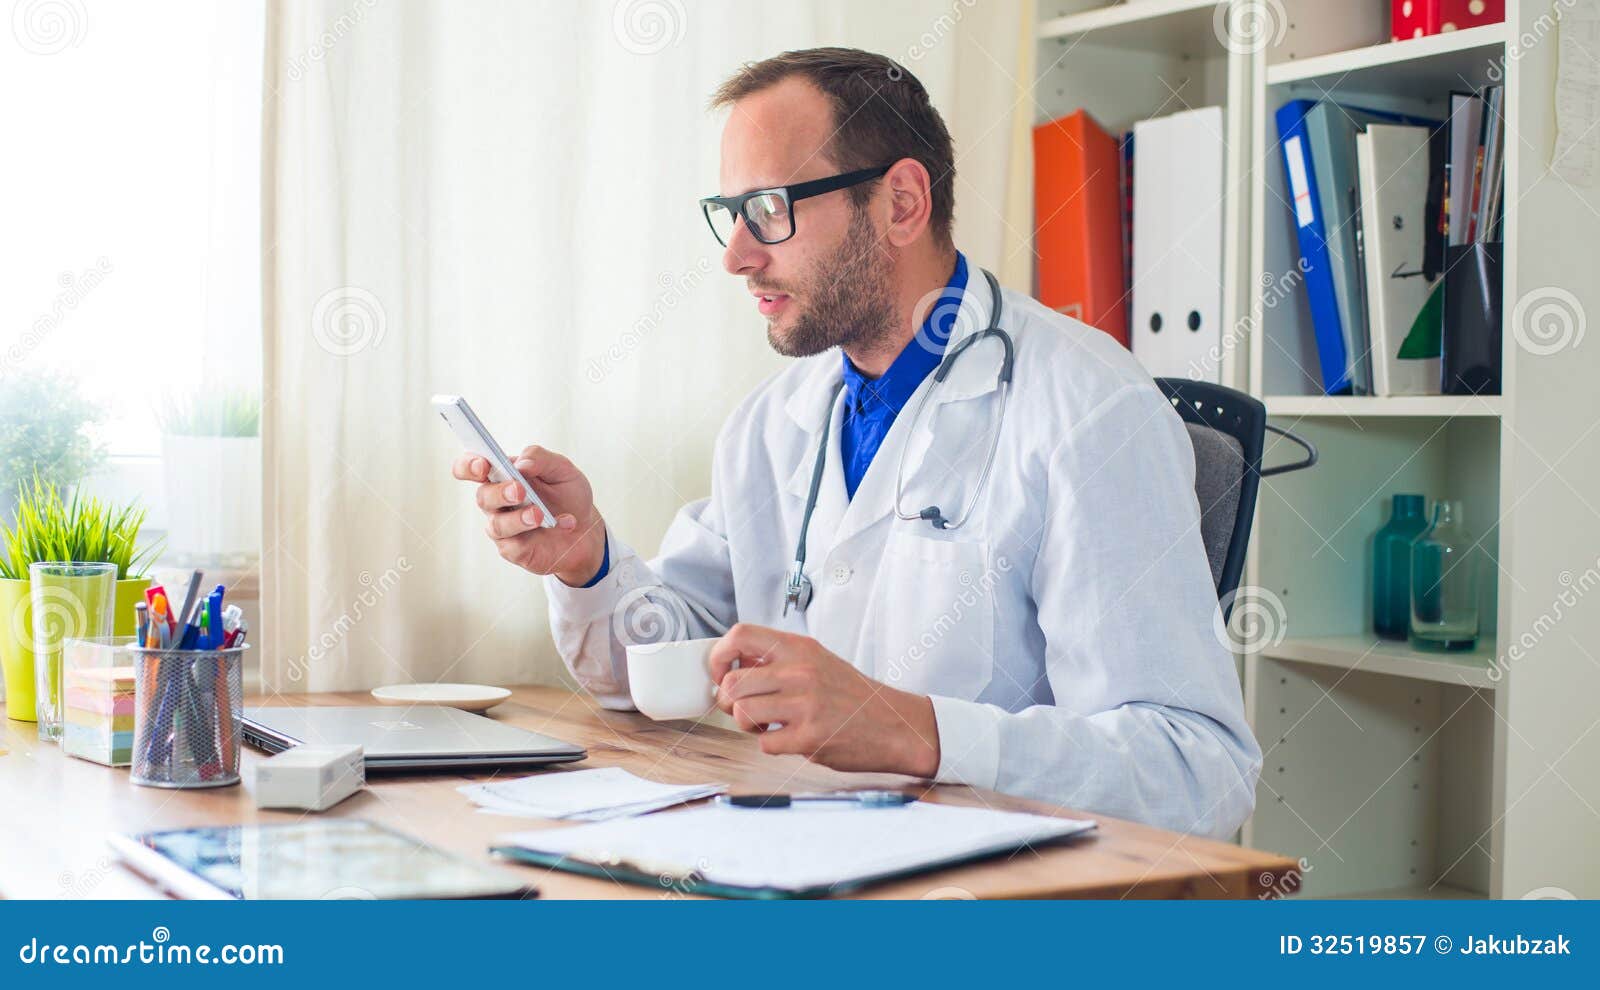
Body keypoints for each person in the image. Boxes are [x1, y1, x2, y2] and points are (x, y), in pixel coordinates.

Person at [452, 47, 1260, 837]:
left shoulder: (1088, 410)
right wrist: (584, 561)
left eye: (770, 210)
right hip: (802, 864)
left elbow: (1198, 772)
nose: (736, 256)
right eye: (731, 215)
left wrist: (916, 731)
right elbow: (669, 663)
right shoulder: (774, 420)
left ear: (902, 203)